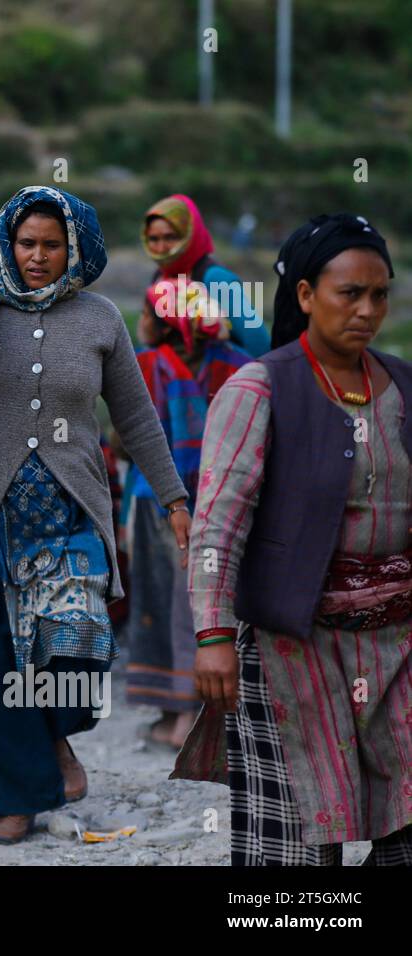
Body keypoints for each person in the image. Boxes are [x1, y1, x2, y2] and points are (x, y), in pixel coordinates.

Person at [0, 186, 189, 845]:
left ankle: (57, 736)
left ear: (75, 249)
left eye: (51, 245)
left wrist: (175, 499)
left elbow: (137, 419)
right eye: (26, 243)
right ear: (7, 242)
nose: (36, 256)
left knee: (72, 647)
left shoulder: (100, 319)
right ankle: (15, 796)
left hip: (67, 508)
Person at [176, 213, 412, 865]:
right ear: (305, 296)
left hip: (398, 647)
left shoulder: (405, 387)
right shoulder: (260, 390)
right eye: (349, 293)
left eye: (380, 293)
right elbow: (218, 524)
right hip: (293, 652)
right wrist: (215, 636)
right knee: (299, 848)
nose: (368, 310)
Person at [122, 278, 253, 749]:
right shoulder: (238, 364)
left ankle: (180, 720)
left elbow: (124, 440)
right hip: (224, 502)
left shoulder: (145, 365)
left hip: (159, 501)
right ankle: (214, 714)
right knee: (210, 603)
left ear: (162, 322)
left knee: (165, 605)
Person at [141, 194, 269, 358]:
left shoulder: (215, 278)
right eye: (153, 239)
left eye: (171, 237)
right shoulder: (159, 278)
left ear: (190, 234)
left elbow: (259, 345)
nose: (161, 248)